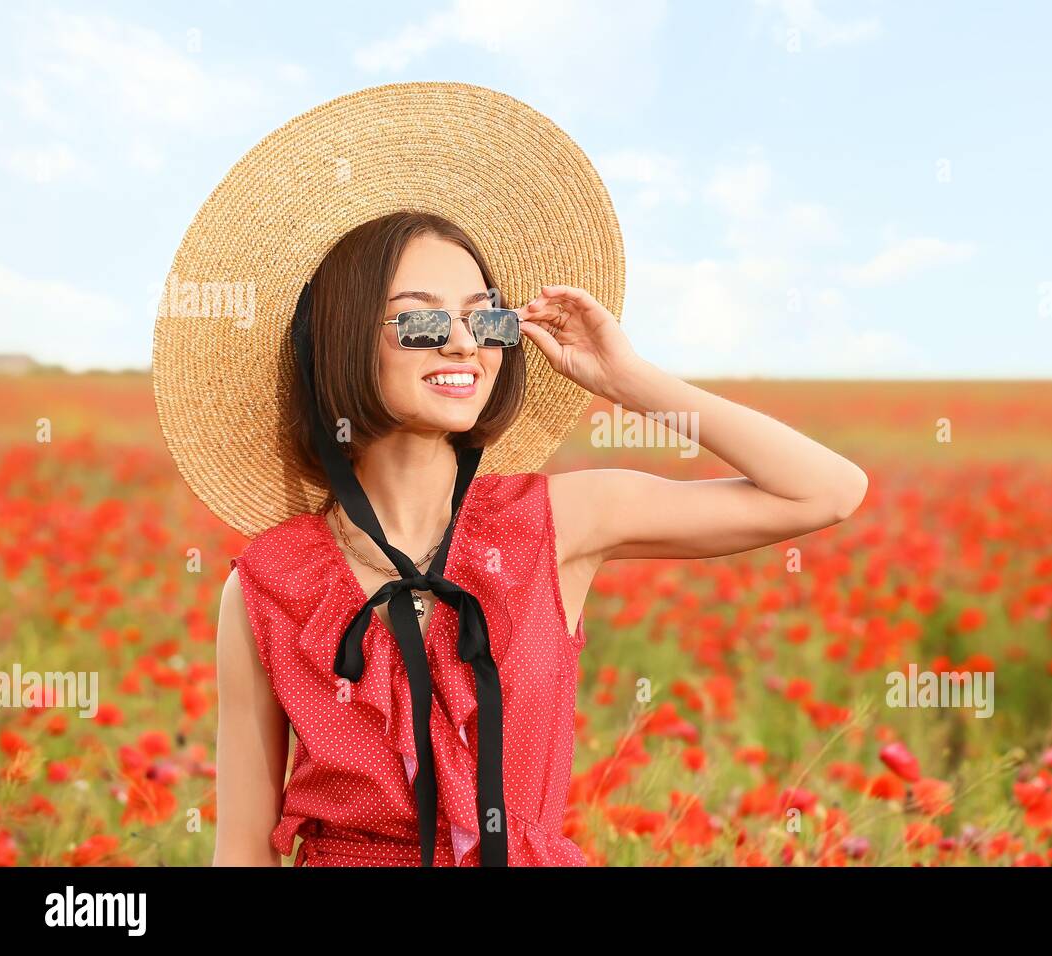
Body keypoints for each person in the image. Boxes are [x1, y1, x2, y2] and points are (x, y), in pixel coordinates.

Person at [151, 83, 867, 867]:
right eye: (422, 318)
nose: (464, 344)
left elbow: (826, 491)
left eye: (487, 317)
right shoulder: (267, 585)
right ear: (342, 341)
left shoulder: (558, 524)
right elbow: (241, 852)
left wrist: (630, 381)